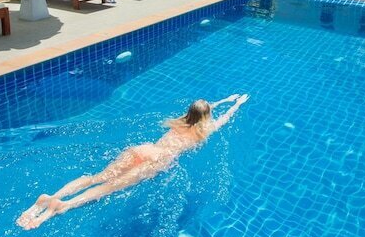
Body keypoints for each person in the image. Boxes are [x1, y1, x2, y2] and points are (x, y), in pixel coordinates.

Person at [17, 93, 249, 229]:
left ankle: (52, 197)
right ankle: (64, 206)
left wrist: (224, 99)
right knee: (109, 187)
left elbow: (200, 112)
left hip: (145, 149)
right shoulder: (202, 132)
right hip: (158, 161)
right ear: (206, 117)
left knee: (97, 177)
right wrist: (236, 104)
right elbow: (222, 119)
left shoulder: (180, 120)